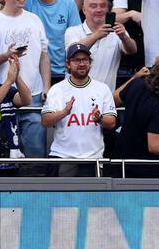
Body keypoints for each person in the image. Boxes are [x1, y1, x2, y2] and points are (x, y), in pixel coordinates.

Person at [41, 43, 117, 173]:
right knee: (59, 194)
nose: (81, 64)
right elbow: (45, 121)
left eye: (85, 59)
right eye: (76, 60)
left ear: (90, 62)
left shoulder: (102, 88)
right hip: (62, 156)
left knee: (93, 194)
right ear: (68, 64)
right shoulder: (57, 89)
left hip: (93, 158)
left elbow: (112, 123)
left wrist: (99, 118)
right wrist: (64, 112)